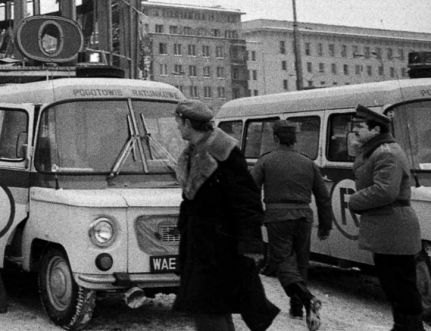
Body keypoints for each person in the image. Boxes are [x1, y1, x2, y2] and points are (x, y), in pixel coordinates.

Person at [172, 99, 279, 331]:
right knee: (211, 308)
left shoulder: (224, 154)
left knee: (209, 309)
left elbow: (247, 200)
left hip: (220, 247)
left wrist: (250, 243)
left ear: (188, 123)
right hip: (199, 245)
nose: (178, 127)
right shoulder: (193, 153)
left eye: (179, 123)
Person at [348, 105, 423, 331]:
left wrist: (354, 201)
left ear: (375, 129)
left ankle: (411, 328)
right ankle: (403, 326)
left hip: (393, 227)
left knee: (401, 284)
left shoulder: (386, 153)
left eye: (360, 127)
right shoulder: (376, 151)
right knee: (393, 284)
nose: (355, 131)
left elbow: (384, 191)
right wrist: (359, 152)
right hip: (387, 227)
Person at [250, 120, 330, 329]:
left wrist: (256, 217)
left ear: (275, 139)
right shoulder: (308, 163)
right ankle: (297, 308)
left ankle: (306, 299)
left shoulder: (266, 161)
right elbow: (323, 197)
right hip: (304, 217)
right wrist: (325, 225)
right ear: (295, 140)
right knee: (301, 261)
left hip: (277, 217)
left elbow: (251, 191)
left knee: (283, 262)